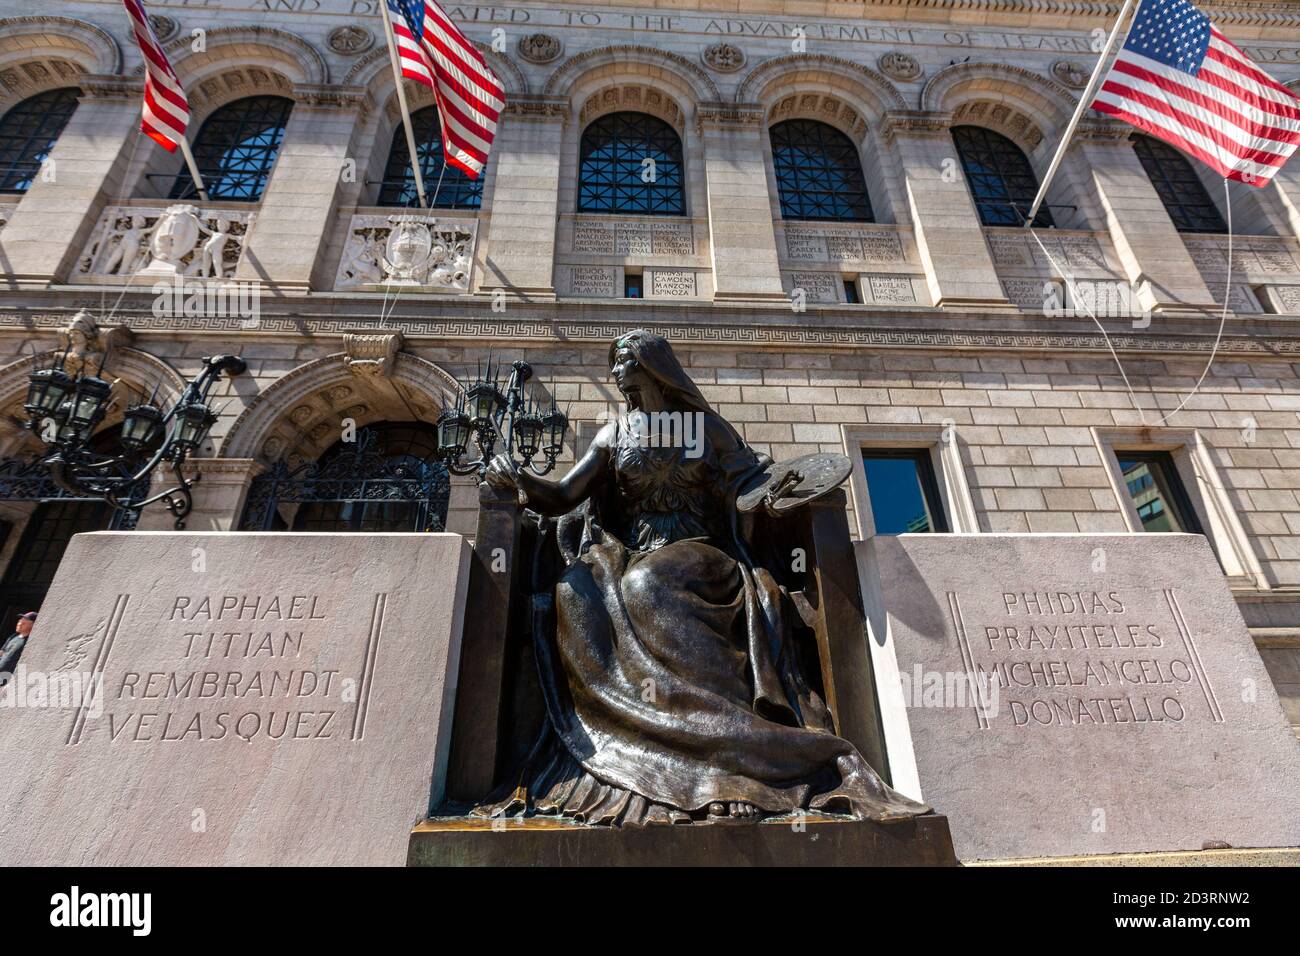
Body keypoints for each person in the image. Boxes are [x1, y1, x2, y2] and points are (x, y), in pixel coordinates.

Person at [480, 330, 928, 826]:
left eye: (624, 360)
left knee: (647, 586)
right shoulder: (614, 434)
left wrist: (780, 491)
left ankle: (726, 756)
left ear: (652, 366)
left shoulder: (705, 428)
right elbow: (564, 495)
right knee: (573, 591)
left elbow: (752, 484)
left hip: (703, 550)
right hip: (633, 552)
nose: (614, 371)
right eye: (613, 363)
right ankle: (639, 745)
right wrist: (516, 478)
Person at [0, 612, 37, 683]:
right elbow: (2, 652)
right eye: (19, 621)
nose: (19, 623)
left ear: (33, 624)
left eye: (23, 623)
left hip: (7, 678)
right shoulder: (13, 637)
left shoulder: (29, 642)